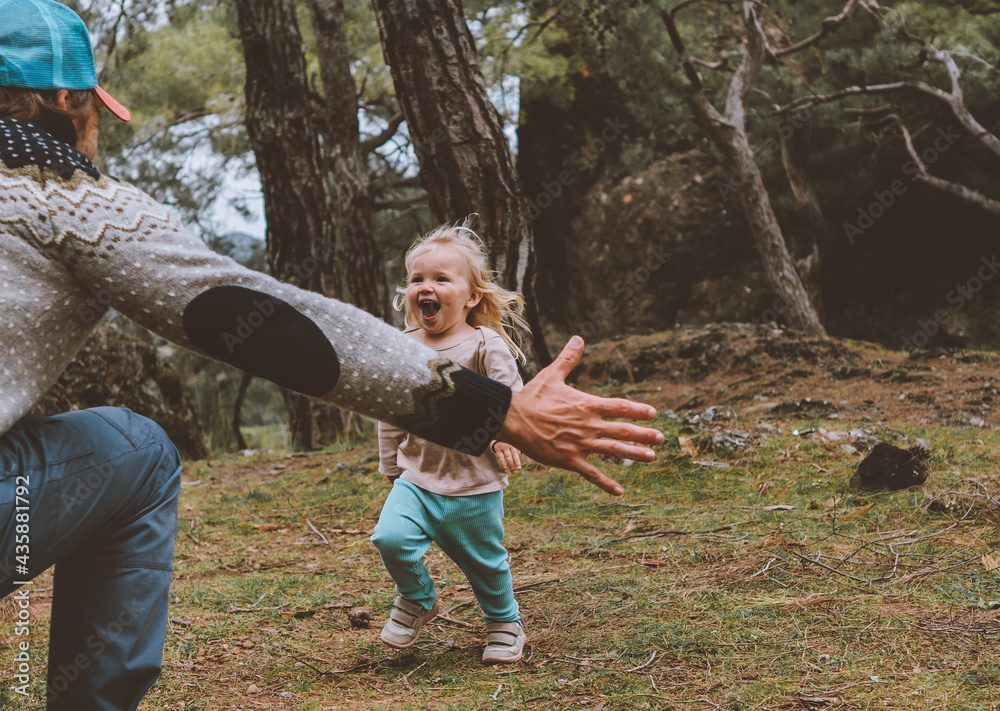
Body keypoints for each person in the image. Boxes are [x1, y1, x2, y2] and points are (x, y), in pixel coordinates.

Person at [0, 0, 662, 708]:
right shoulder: (60, 194)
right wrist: (503, 414)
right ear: (68, 100)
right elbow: (259, 320)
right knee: (137, 450)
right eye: (94, 109)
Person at [373, 226, 529, 664]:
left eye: (442, 279)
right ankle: (419, 598)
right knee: (390, 538)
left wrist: (504, 437)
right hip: (418, 478)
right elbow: (391, 410)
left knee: (486, 565)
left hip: (475, 483)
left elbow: (509, 399)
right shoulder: (401, 347)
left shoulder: (484, 344)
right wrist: (390, 464)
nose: (427, 287)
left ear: (472, 297)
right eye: (418, 278)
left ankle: (504, 623)